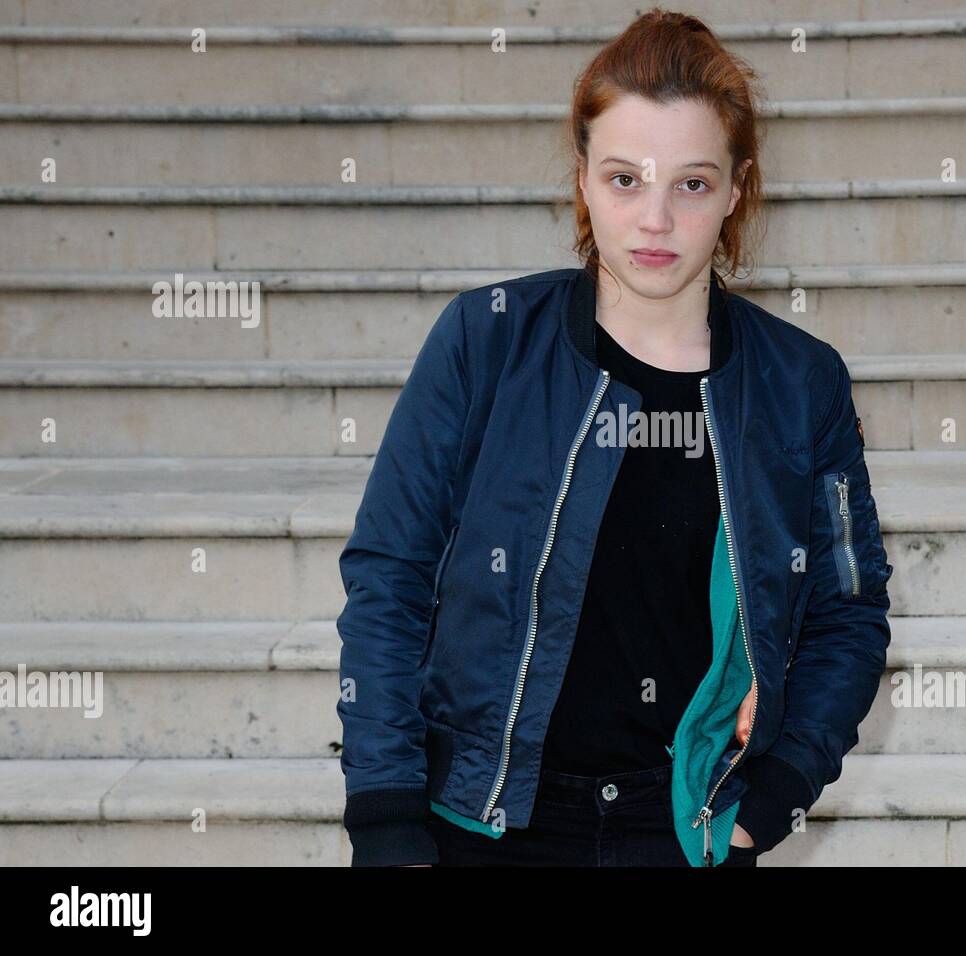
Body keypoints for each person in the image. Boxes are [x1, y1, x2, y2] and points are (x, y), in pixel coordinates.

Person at [336, 7, 893, 868]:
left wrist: (773, 794)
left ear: (737, 188)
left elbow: (847, 608)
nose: (657, 219)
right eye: (627, 179)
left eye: (692, 183)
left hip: (678, 827)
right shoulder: (486, 341)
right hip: (480, 822)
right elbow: (390, 572)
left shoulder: (799, 383)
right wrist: (384, 812)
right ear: (585, 179)